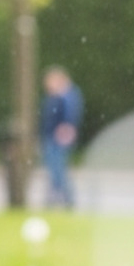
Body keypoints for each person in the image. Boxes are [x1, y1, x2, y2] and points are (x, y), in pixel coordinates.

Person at [39, 65, 83, 209]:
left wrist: (65, 131)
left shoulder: (67, 96)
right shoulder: (58, 96)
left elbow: (69, 118)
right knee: (55, 170)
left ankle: (64, 198)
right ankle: (58, 198)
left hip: (57, 138)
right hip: (52, 136)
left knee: (58, 169)